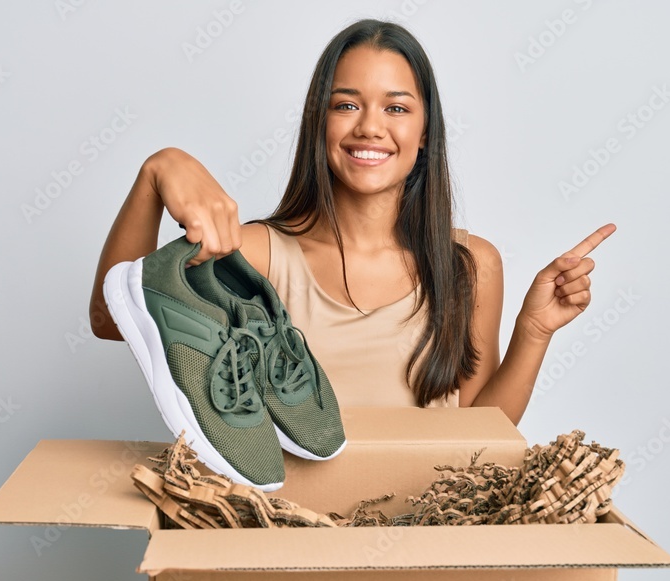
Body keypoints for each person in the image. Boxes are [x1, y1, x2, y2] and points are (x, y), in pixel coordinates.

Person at [89, 18, 614, 426]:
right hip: (288, 528)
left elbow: (479, 433)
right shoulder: (256, 255)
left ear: (425, 132)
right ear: (319, 123)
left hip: (424, 529)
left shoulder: (470, 265)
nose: (369, 128)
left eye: (396, 109)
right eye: (346, 105)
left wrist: (533, 331)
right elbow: (111, 321)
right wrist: (158, 170)